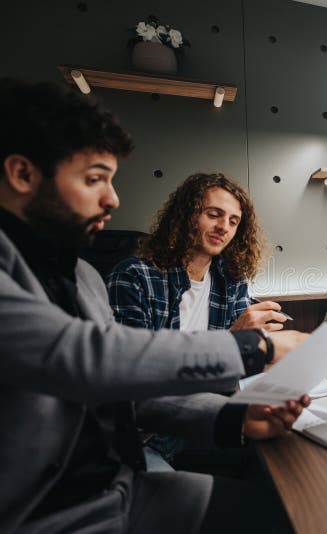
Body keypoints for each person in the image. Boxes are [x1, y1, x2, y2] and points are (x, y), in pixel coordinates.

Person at [0, 78, 309, 533]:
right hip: (43, 517)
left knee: (293, 518)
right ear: (23, 174)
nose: (113, 198)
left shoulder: (82, 277)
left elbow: (130, 393)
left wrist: (234, 419)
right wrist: (253, 348)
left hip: (121, 493)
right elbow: (89, 357)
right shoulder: (121, 275)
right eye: (93, 179)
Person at [107, 172, 287, 333]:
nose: (224, 227)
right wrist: (231, 340)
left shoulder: (232, 280)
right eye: (214, 215)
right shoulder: (134, 276)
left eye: (233, 222)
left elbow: (244, 354)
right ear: (186, 215)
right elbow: (134, 364)